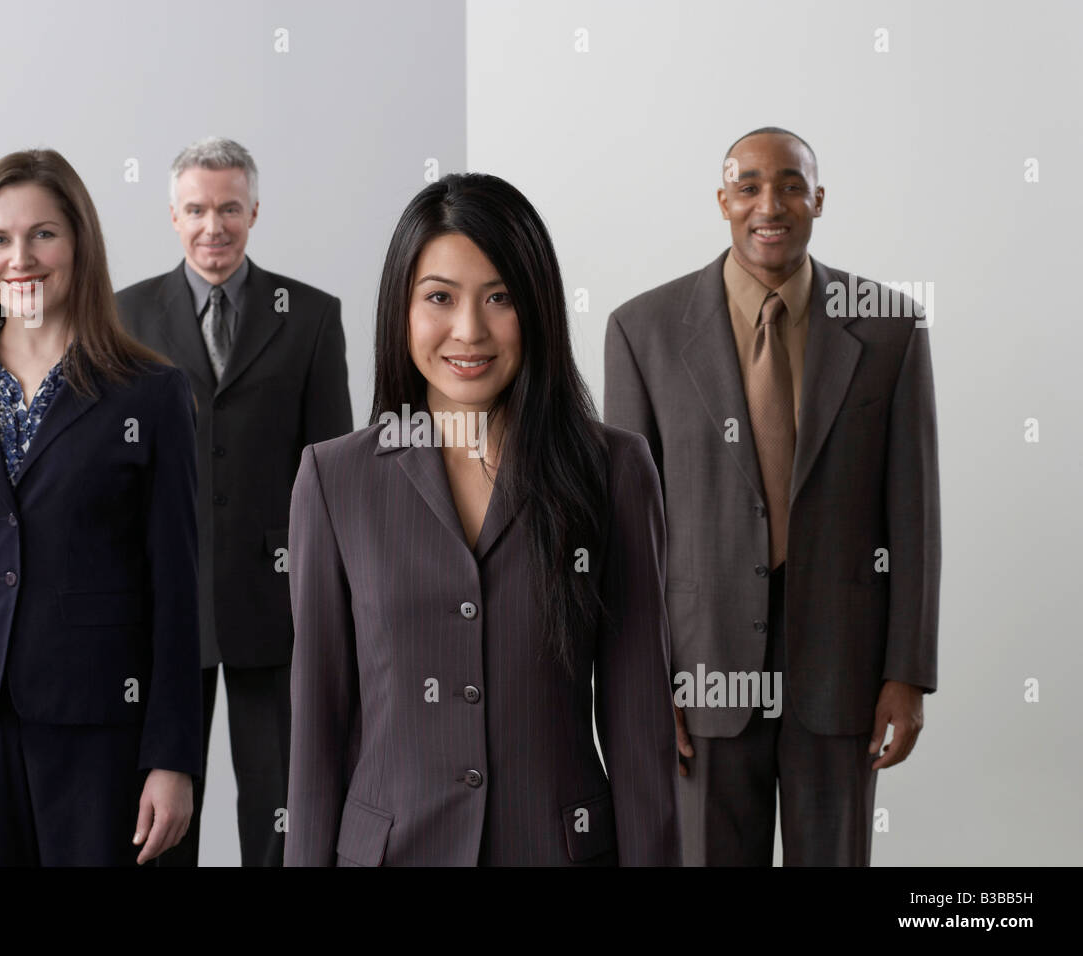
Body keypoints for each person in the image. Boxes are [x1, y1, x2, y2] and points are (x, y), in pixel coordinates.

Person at [284, 173, 680, 866]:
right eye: (439, 297)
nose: (469, 330)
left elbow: (640, 732)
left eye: (499, 297)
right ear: (402, 311)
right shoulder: (334, 478)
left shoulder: (615, 469)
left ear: (538, 307)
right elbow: (318, 729)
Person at [604, 127, 941, 865]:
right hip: (700, 665)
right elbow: (626, 531)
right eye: (749, 184)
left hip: (842, 662)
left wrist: (908, 672)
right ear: (722, 199)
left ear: (819, 199)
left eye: (791, 184)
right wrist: (639, 682)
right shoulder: (643, 330)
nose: (771, 203)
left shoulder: (889, 327)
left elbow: (915, 516)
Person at [0, 148, 204, 866]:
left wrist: (176, 757)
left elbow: (179, 590)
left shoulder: (151, 391)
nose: (20, 257)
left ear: (80, 242)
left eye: (43, 234)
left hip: (100, 719)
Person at [116, 137, 351, 867]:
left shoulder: (310, 316)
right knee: (158, 819)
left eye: (227, 209)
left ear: (254, 211)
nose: (212, 226)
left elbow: (330, 470)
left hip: (275, 605)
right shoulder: (123, 316)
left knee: (282, 812)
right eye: (195, 210)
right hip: (161, 608)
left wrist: (328, 597)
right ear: (172, 215)